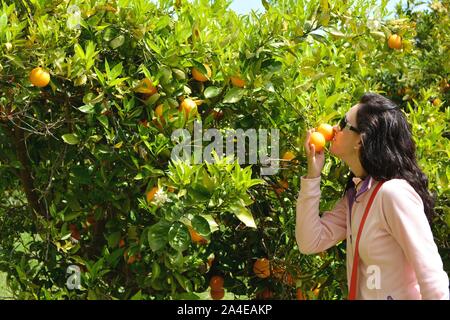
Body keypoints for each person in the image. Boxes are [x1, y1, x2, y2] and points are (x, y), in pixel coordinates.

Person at [296, 93, 449, 300]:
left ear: (361, 139)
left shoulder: (393, 194)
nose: (334, 129)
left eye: (343, 123)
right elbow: (309, 242)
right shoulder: (358, 196)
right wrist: (313, 175)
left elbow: (432, 280)